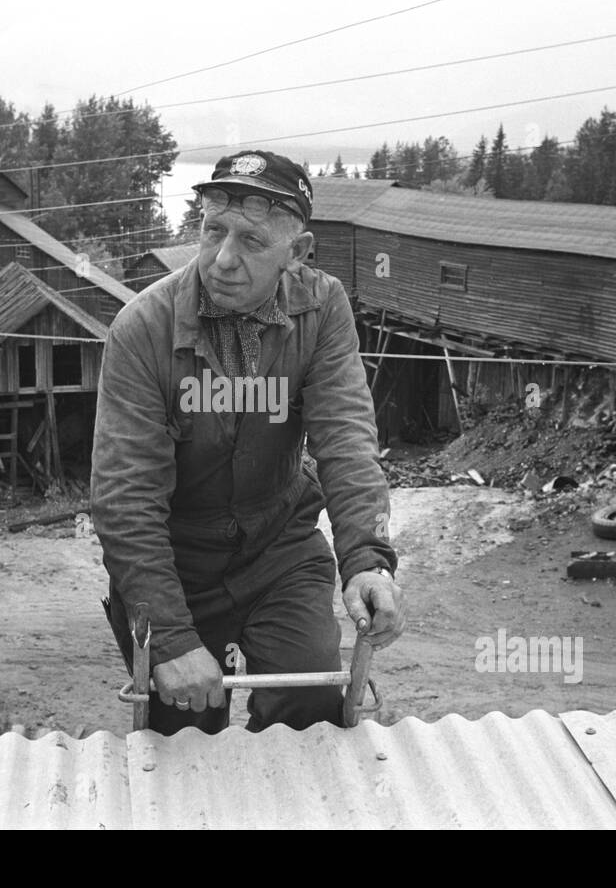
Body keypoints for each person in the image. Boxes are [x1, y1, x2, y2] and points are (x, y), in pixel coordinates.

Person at [91, 150, 406, 734]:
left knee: (308, 709)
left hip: (280, 547)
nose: (223, 259)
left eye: (253, 242)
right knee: (184, 729)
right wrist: (172, 639)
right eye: (213, 231)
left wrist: (366, 560)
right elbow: (125, 496)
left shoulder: (324, 308)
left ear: (298, 253)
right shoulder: (141, 330)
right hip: (176, 560)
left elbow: (346, 437)